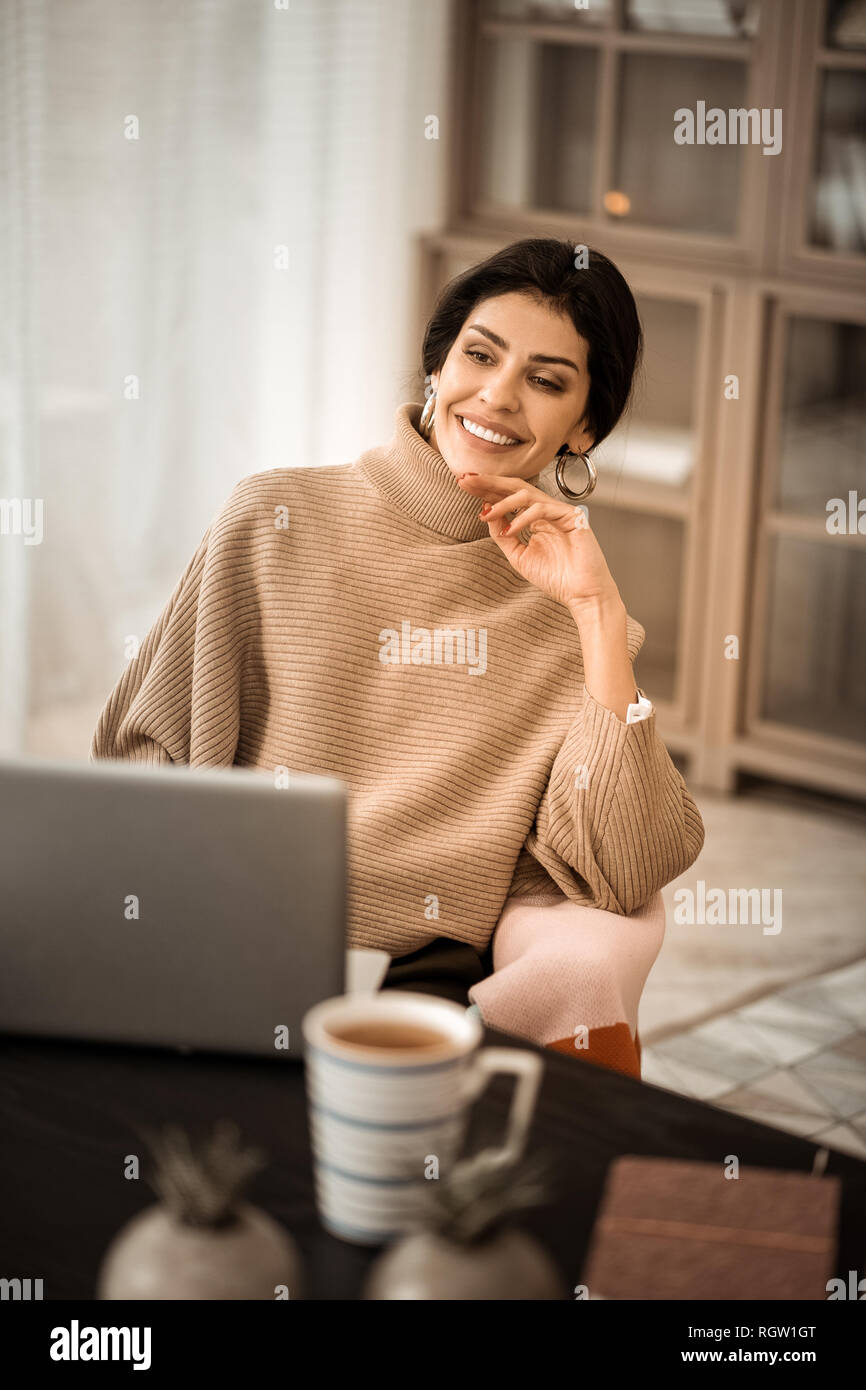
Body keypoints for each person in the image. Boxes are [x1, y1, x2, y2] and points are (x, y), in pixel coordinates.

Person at [91, 237, 705, 1023]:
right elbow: (140, 753)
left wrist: (598, 614)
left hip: (418, 982)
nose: (498, 396)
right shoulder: (272, 516)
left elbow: (626, 868)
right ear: (438, 367)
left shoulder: (575, 613)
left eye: (545, 381)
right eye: (480, 356)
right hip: (229, 937)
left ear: (584, 428)